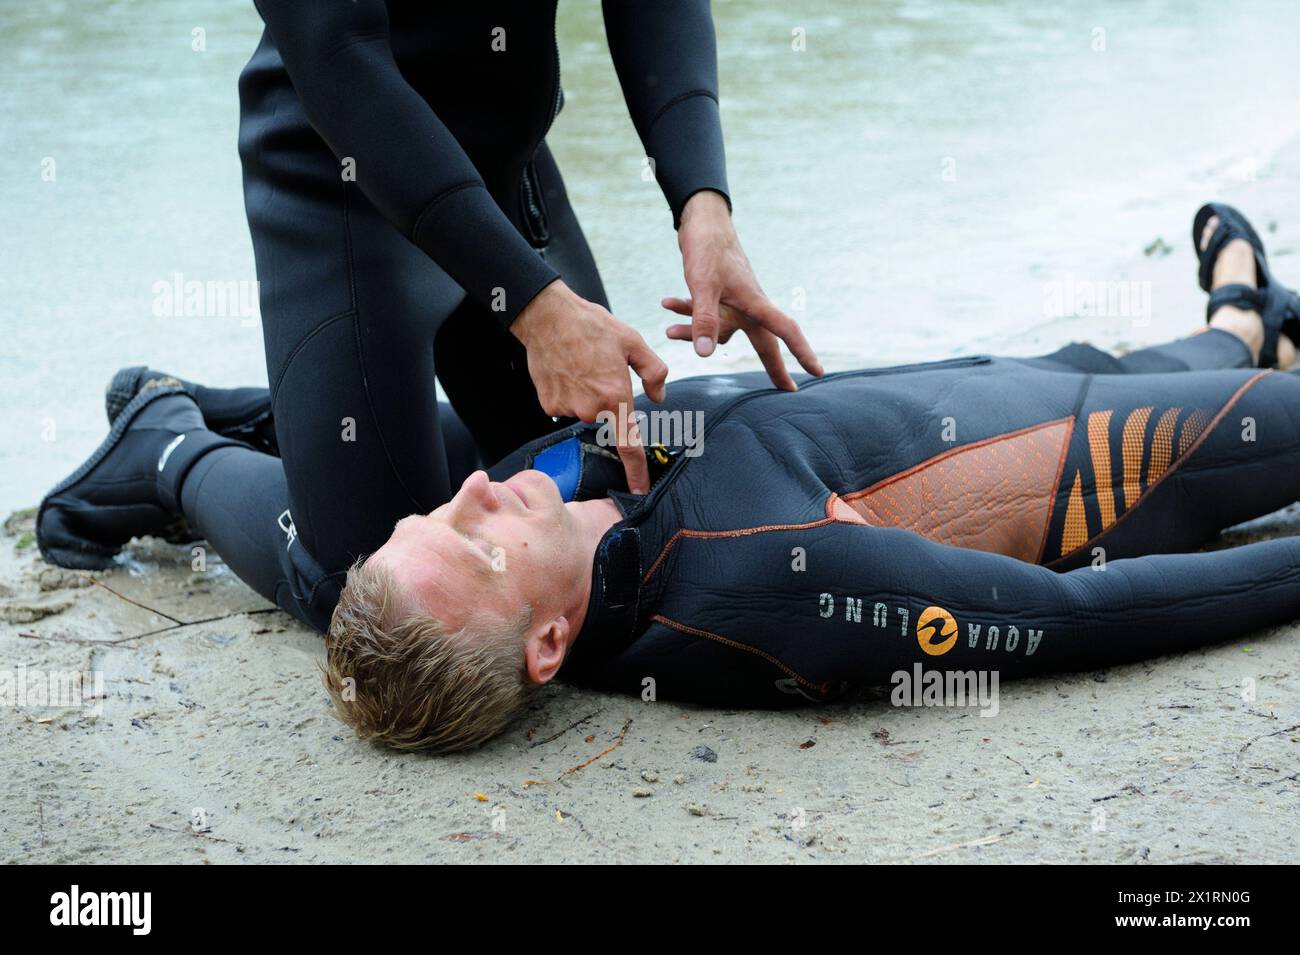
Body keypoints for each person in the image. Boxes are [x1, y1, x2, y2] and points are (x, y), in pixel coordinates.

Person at [37, 203, 1300, 752]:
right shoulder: (762, 579)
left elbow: (456, 511)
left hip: (963, 374)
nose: (476, 496)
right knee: (1220, 393)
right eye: (474, 545)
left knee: (1187, 347)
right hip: (1108, 455)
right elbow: (1077, 620)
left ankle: (1244, 305)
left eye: (441, 512)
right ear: (545, 650)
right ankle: (1248, 308)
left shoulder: (559, 511)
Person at [233, 0, 821, 615]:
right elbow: (336, 54)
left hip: (501, 173)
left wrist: (702, 201)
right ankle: (167, 441)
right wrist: (537, 310)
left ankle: (297, 423)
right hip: (339, 177)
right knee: (372, 591)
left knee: (607, 486)